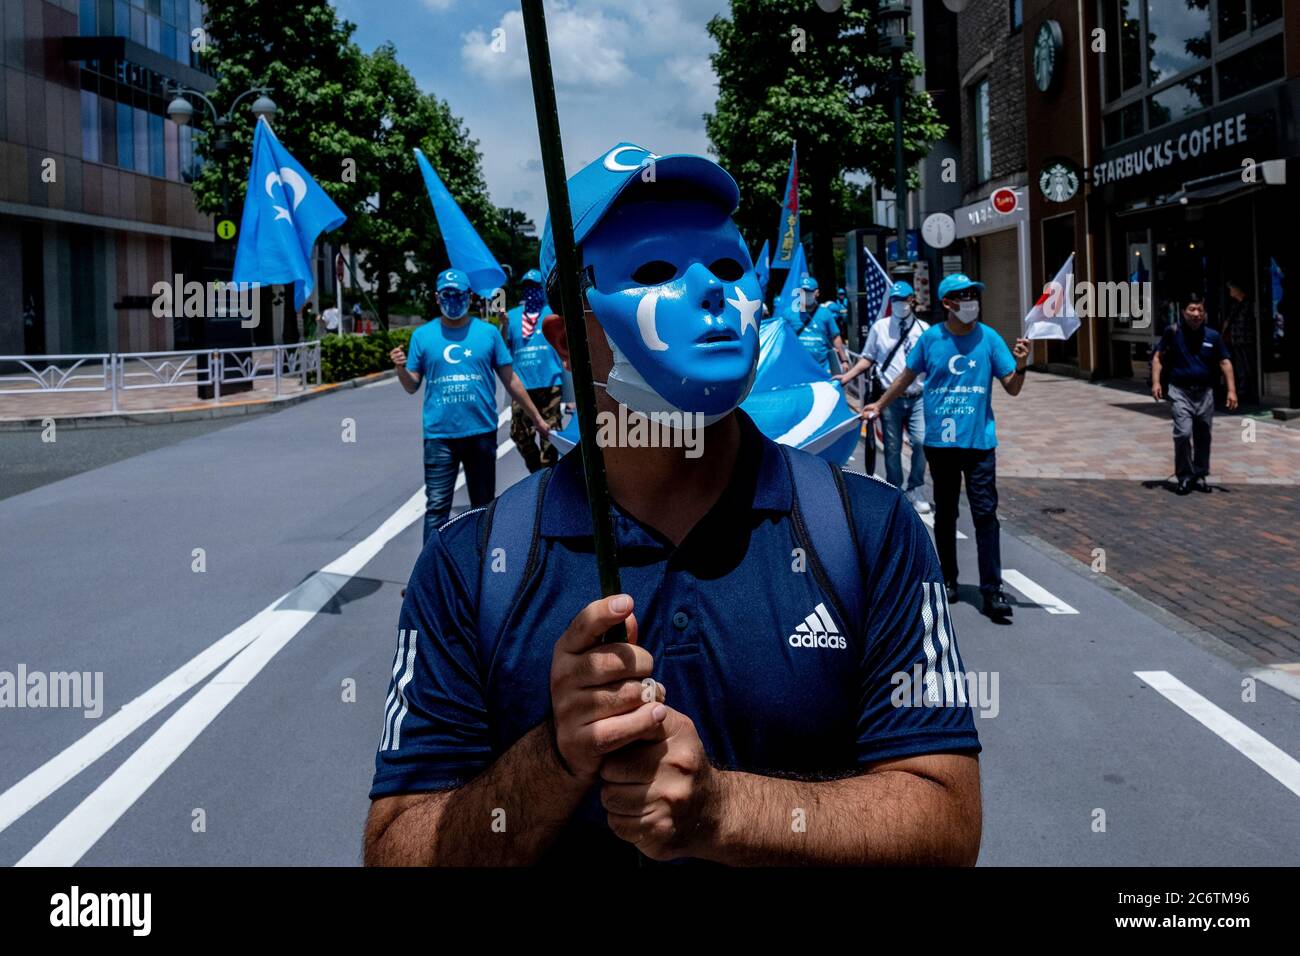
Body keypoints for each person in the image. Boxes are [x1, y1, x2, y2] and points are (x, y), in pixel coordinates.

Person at [365, 142, 981, 866]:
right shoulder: (469, 569)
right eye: (655, 271)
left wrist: (729, 810)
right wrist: (557, 759)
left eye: (726, 266)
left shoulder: (871, 533)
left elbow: (947, 820)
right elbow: (394, 848)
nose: (709, 291)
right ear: (567, 340)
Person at [862, 274, 1031, 622]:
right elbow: (905, 378)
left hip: (979, 443)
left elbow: (1012, 387)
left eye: (973, 294)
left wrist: (1023, 362)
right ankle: (948, 579)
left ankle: (992, 589)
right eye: (962, 295)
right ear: (947, 303)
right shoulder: (931, 339)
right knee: (946, 513)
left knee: (986, 515)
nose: (970, 300)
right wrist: (879, 404)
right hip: (941, 444)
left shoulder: (990, 339)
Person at [389, 268, 550, 542]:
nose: (453, 300)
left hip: (481, 434)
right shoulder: (423, 336)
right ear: (437, 298)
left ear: (470, 297)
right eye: (447, 294)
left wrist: (536, 417)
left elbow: (511, 380)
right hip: (440, 436)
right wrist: (400, 368)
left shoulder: (487, 334)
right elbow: (411, 385)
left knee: (482, 507)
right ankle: (431, 579)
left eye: (459, 294)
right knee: (438, 508)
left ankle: (481, 568)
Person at [838, 281, 930, 512]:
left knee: (921, 441)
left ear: (912, 300)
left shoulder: (924, 329)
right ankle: (895, 489)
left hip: (918, 395)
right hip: (889, 398)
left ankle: (916, 487)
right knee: (892, 446)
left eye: (904, 299)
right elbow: (867, 358)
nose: (900, 304)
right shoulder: (880, 327)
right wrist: (847, 376)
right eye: (895, 300)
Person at [1151, 292, 1236, 495]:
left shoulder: (1213, 336)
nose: (1196, 314)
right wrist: (1156, 383)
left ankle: (1199, 474)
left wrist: (1231, 390)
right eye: (1192, 309)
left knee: (1203, 436)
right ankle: (1184, 475)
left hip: (1205, 393)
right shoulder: (1172, 332)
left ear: (1204, 313)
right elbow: (1158, 358)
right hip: (1180, 391)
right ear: (1184, 312)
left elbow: (1225, 362)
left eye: (1200, 310)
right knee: (1182, 433)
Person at [505, 269, 566, 472]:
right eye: (526, 287)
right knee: (518, 432)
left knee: (550, 433)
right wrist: (503, 326)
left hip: (549, 383)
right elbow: (502, 349)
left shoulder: (553, 314)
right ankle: (535, 468)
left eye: (534, 286)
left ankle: (548, 476)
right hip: (522, 385)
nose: (530, 291)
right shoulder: (512, 317)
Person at [788, 275, 849, 374]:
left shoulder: (825, 313)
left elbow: (835, 337)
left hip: (823, 368)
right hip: (797, 368)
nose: (805, 295)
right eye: (802, 291)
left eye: (808, 292)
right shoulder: (789, 313)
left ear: (816, 293)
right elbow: (782, 337)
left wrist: (844, 360)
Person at [1222, 280, 1255, 404]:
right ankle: (1242, 390)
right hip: (1236, 340)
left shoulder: (1249, 304)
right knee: (1240, 366)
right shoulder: (1235, 305)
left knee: (1249, 365)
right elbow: (1228, 321)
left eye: (1232, 289)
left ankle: (1251, 391)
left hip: (1247, 339)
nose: (1230, 292)